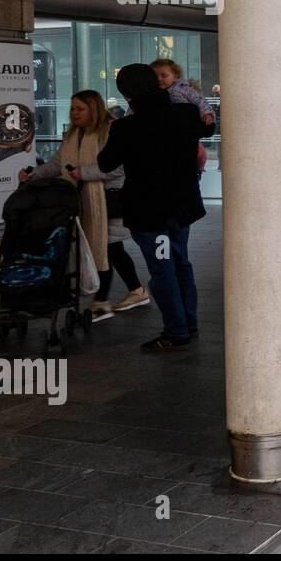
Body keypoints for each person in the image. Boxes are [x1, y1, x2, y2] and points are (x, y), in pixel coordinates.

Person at [98, 64, 213, 351]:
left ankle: (176, 331)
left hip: (150, 214)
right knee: (181, 263)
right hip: (181, 207)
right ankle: (189, 321)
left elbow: (105, 163)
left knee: (163, 270)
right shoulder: (185, 114)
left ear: (126, 94)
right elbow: (208, 129)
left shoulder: (126, 126)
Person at [18, 90, 149, 322]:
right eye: (73, 109)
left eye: (80, 109)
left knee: (105, 249)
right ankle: (136, 291)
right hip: (83, 201)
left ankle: (101, 302)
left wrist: (84, 173)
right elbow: (57, 165)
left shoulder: (110, 131)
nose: (74, 113)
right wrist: (34, 175)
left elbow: (118, 168)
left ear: (94, 109)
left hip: (109, 200)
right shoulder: (73, 135)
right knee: (111, 249)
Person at [151, 59, 215, 176]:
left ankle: (199, 171)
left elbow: (200, 101)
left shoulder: (183, 89)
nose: (159, 79)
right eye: (155, 76)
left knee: (198, 153)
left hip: (183, 129)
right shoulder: (151, 93)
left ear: (176, 77)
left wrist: (207, 113)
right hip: (171, 134)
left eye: (163, 76)